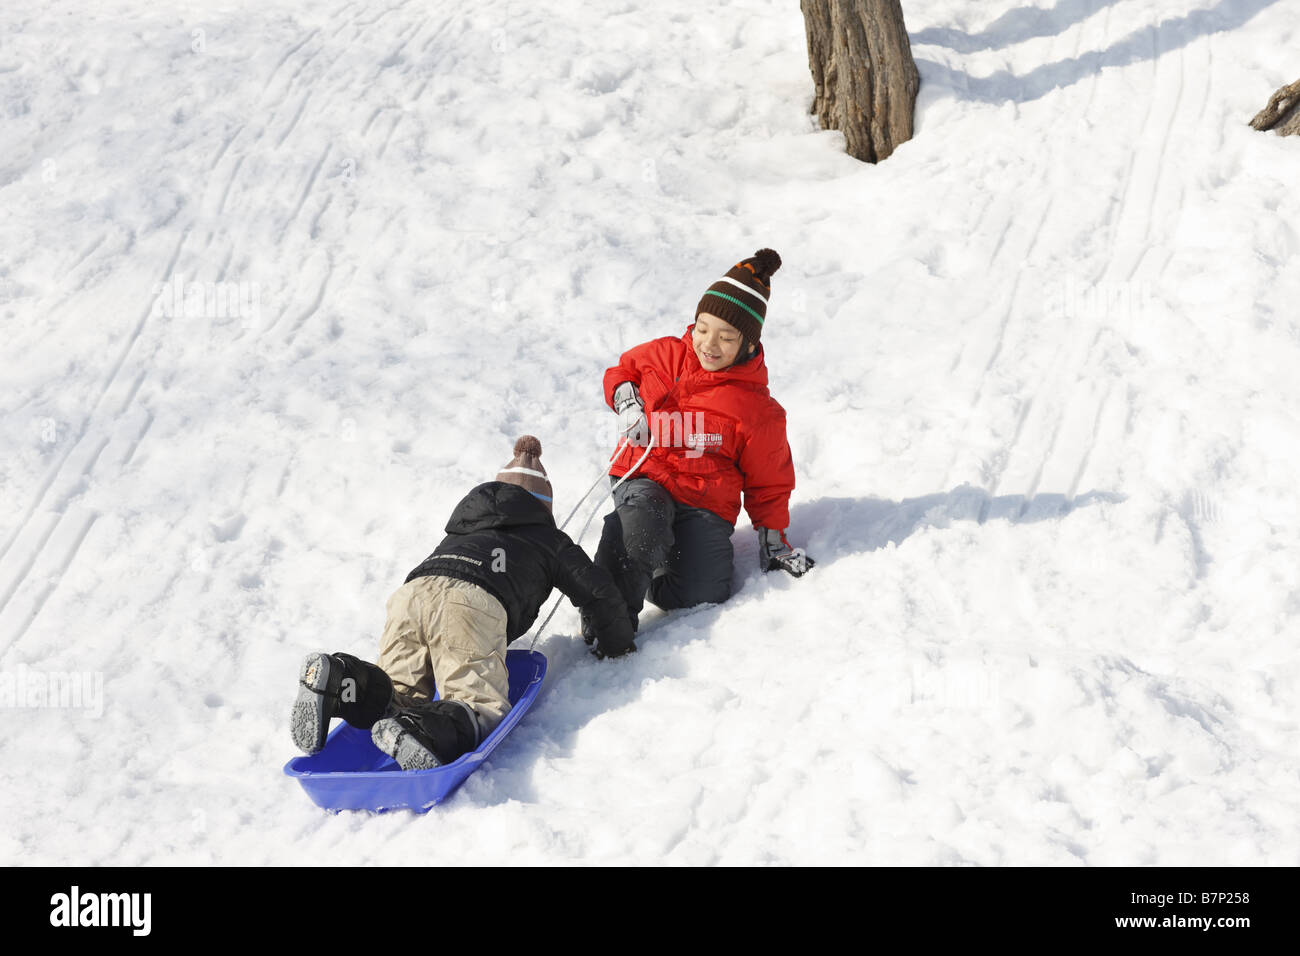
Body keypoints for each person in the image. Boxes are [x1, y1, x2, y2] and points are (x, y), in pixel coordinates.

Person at [291, 436, 635, 771]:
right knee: (479, 709)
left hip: (412, 594)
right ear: (543, 506)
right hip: (472, 603)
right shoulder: (550, 539)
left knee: (396, 697)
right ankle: (421, 732)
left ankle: (340, 680)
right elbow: (598, 592)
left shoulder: (463, 527)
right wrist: (616, 646)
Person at [582, 247, 815, 642]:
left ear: (748, 343)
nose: (709, 344)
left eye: (726, 337)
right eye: (703, 328)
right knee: (642, 523)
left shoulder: (757, 409)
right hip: (645, 476)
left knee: (701, 593)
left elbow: (769, 480)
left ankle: (651, 565)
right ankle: (607, 616)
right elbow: (622, 371)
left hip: (704, 501)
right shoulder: (666, 355)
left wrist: (773, 541)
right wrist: (627, 402)